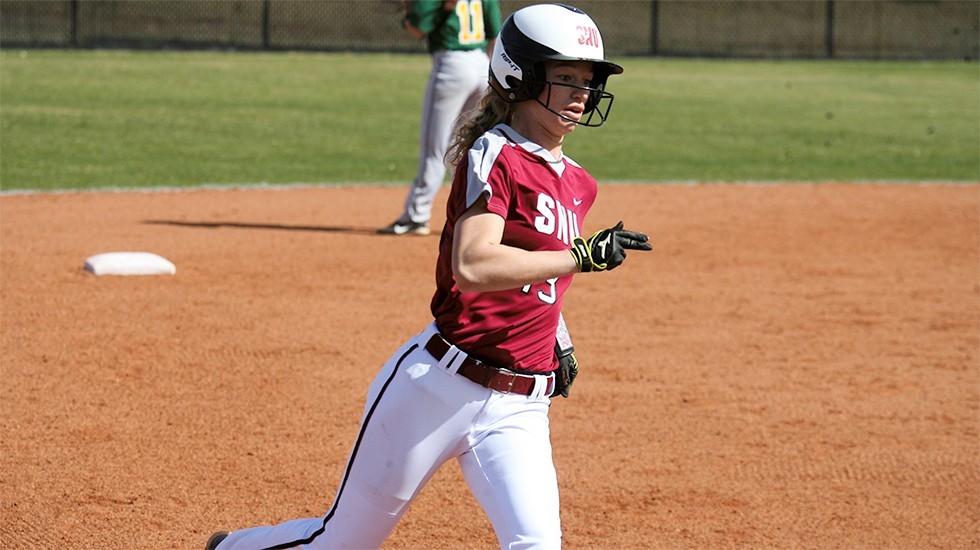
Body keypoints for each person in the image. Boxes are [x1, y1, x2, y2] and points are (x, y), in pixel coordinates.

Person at [205, 4, 651, 549]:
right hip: (438, 388)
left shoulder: (580, 183)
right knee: (340, 543)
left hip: (520, 406)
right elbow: (475, 263)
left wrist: (559, 335)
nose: (582, 93)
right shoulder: (497, 154)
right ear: (522, 76)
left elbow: (541, 270)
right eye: (566, 77)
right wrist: (580, 257)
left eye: (589, 80)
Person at [379, 0, 503, 236]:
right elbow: (495, 35)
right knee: (464, 143)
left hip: (451, 65)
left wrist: (410, 19)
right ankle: (474, 209)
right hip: (481, 65)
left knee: (433, 146)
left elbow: (418, 28)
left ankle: (417, 215)